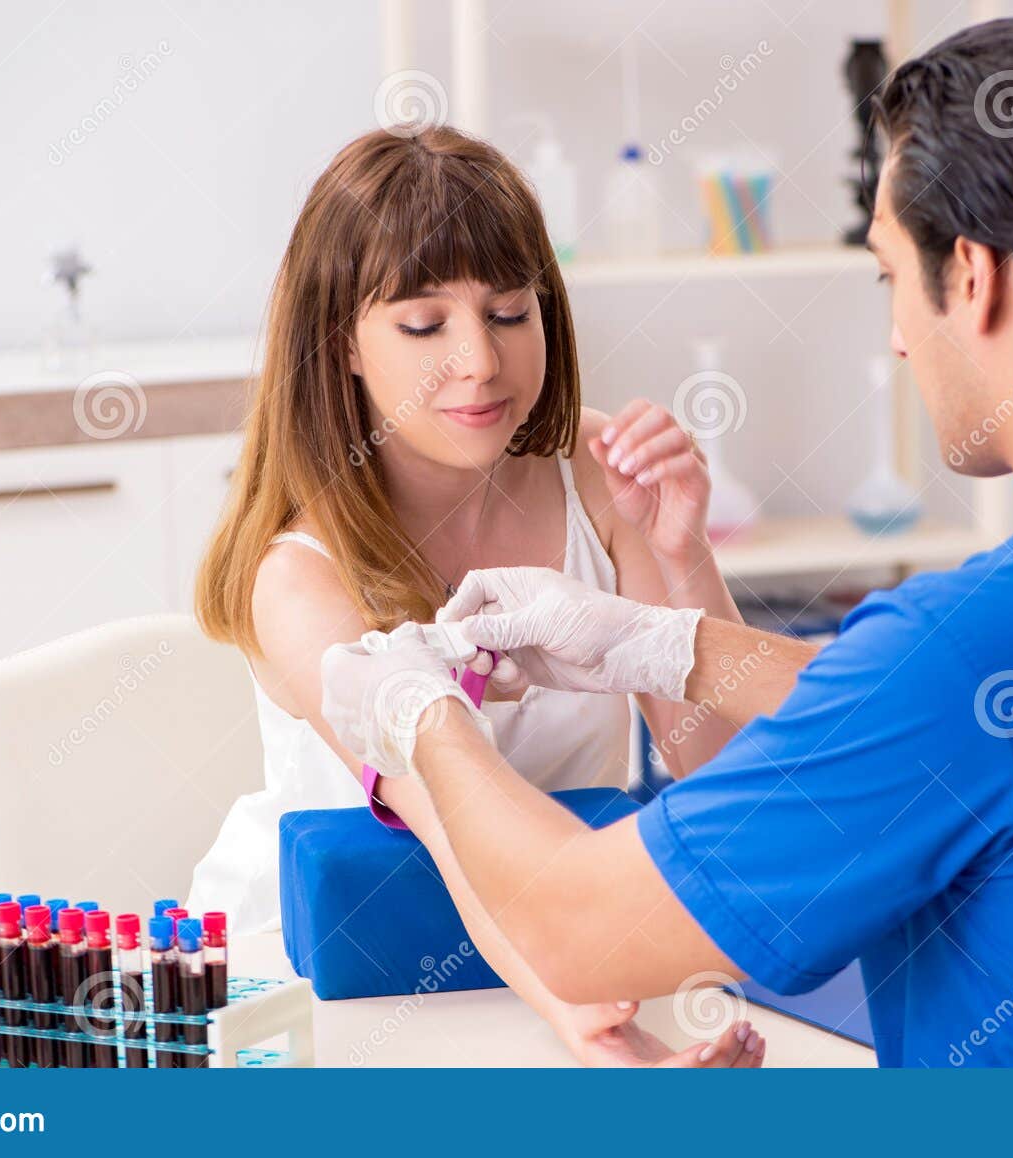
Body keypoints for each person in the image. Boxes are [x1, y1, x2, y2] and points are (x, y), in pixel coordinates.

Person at [318, 16, 1013, 1067]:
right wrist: (668, 645)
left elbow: (577, 931)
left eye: (888, 277)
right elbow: (1010, 705)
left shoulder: (965, 647)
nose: (898, 338)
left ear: (974, 277)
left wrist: (418, 710)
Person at [188, 125, 761, 1066]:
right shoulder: (301, 576)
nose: (481, 362)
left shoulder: (597, 471)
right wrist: (589, 1022)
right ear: (344, 346)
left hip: (566, 936)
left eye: (508, 313)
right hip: (336, 980)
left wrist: (684, 554)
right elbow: (451, 825)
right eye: (425, 326)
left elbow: (722, 775)